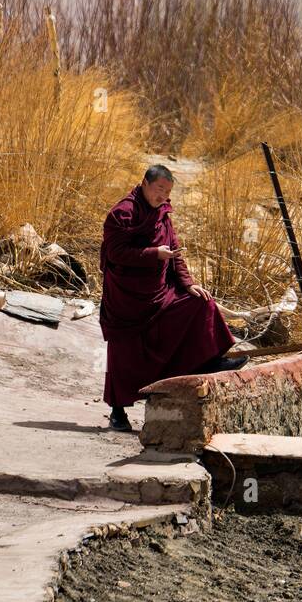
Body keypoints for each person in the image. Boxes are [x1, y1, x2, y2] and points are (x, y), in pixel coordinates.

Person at [99, 164, 247, 431]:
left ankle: (209, 360)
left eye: (167, 192)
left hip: (159, 291)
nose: (163, 197)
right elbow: (115, 254)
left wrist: (188, 283)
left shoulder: (162, 214)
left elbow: (175, 251)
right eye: (159, 190)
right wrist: (153, 254)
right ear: (144, 183)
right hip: (127, 298)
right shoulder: (121, 214)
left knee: (201, 303)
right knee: (125, 353)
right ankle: (117, 411)